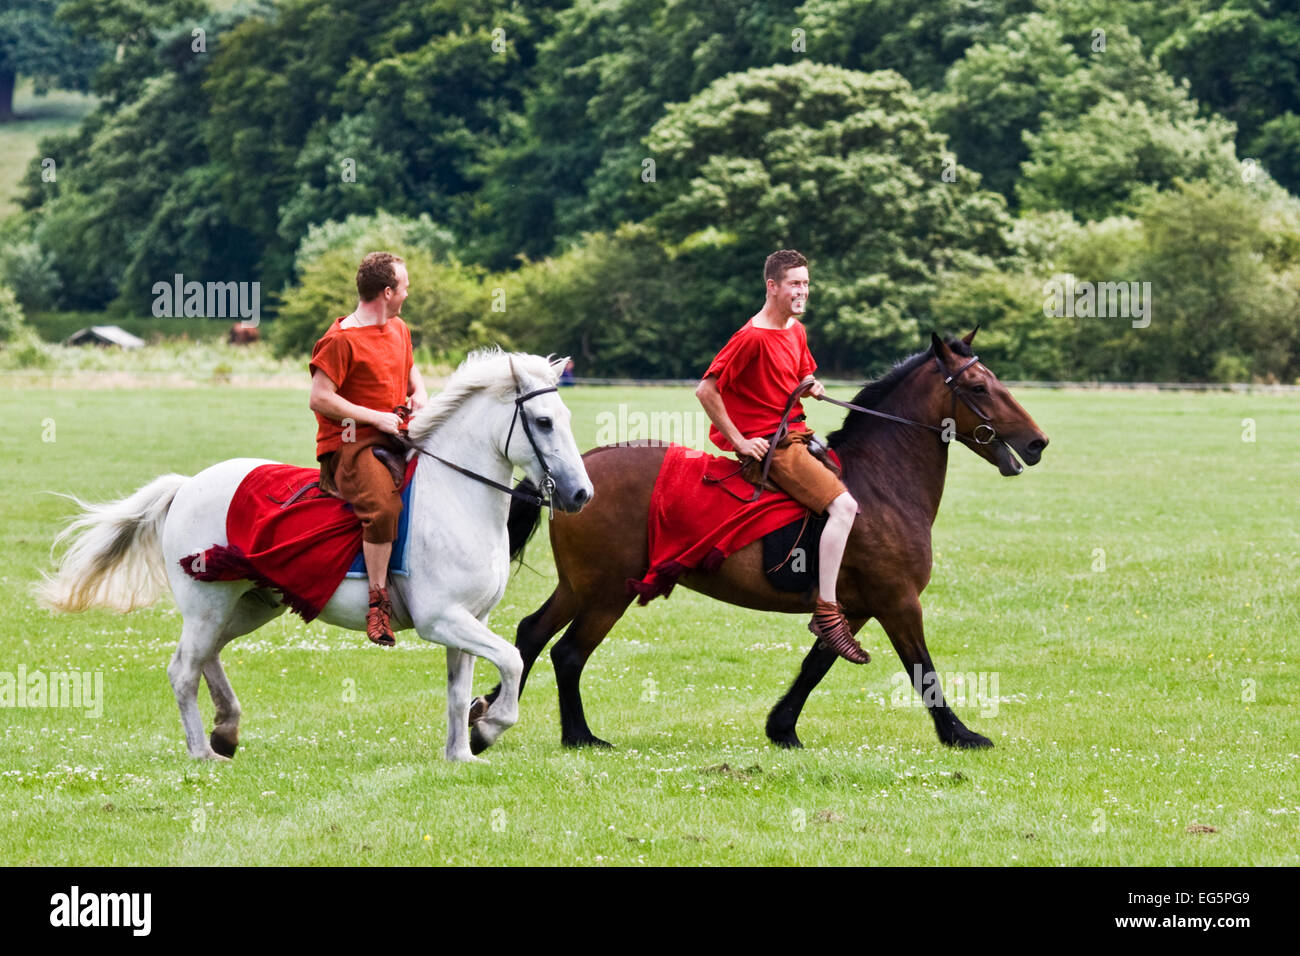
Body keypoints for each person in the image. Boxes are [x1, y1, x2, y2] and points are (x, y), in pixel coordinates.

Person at [695, 249, 869, 664]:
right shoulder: (751, 336)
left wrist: (809, 383)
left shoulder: (795, 330)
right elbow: (706, 390)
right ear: (772, 286)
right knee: (844, 507)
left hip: (799, 433)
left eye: (806, 283)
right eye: (794, 283)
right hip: (774, 446)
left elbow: (798, 372)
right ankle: (828, 611)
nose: (802, 290)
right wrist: (739, 440)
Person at [308, 252, 428, 646]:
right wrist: (374, 417)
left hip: (398, 433)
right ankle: (378, 603)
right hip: (350, 442)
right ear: (388, 291)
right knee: (384, 508)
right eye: (405, 287)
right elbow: (320, 398)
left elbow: (414, 378)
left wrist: (420, 397)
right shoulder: (340, 339)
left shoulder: (399, 329)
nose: (408, 293)